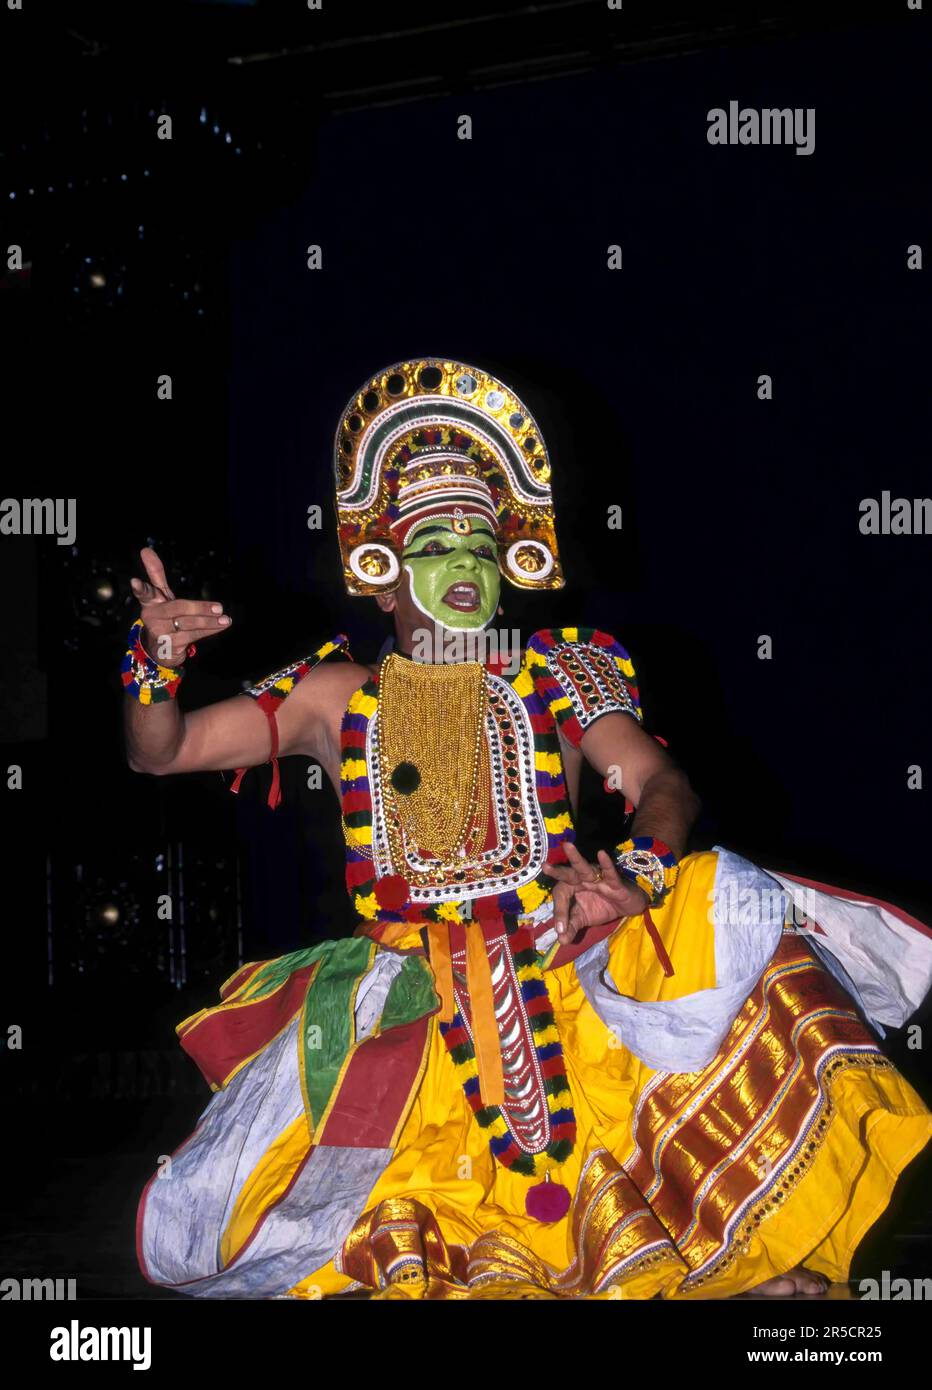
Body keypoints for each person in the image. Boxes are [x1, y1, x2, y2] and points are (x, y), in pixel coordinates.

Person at [129, 357, 932, 1299]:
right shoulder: (334, 696)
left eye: (481, 543)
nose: (466, 564)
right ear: (383, 578)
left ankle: (729, 1276)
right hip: (412, 1000)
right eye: (436, 542)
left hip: (561, 954)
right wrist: (155, 662)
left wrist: (643, 866)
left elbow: (660, 778)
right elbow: (162, 750)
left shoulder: (556, 673)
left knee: (725, 898)